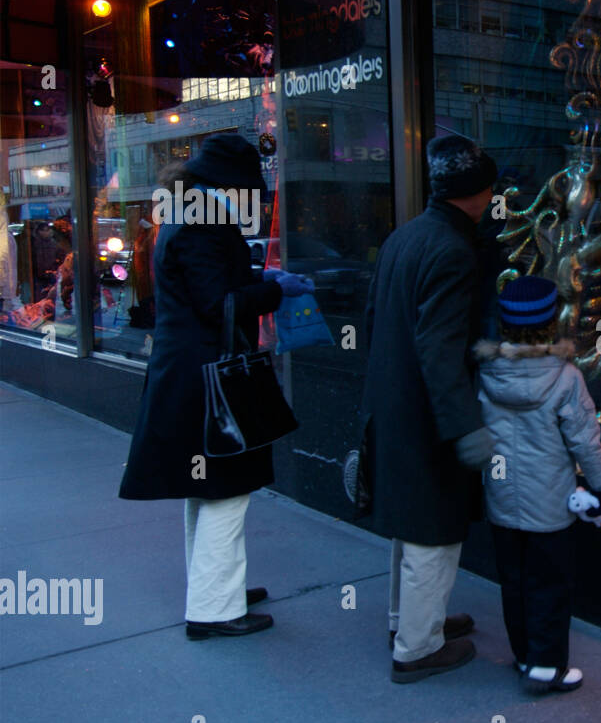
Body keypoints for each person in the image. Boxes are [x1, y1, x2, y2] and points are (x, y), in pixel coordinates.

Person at [119, 133, 314, 638]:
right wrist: (275, 289)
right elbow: (220, 303)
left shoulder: (183, 212)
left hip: (185, 372)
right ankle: (214, 609)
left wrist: (262, 281)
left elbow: (210, 291)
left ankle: (215, 586)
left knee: (205, 489)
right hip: (209, 377)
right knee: (227, 491)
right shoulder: (205, 220)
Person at [362, 134, 497, 684]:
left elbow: (375, 320)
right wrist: (466, 428)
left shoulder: (405, 236)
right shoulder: (453, 249)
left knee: (409, 525)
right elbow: (440, 349)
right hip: (428, 413)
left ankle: (410, 622)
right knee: (434, 532)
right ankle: (417, 648)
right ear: (479, 192)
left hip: (393, 402)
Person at [473, 276, 601, 693]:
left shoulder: (486, 371)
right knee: (550, 583)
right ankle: (546, 665)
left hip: (501, 499)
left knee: (514, 581)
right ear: (552, 321)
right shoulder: (567, 378)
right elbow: (586, 441)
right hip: (550, 504)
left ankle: (523, 656)